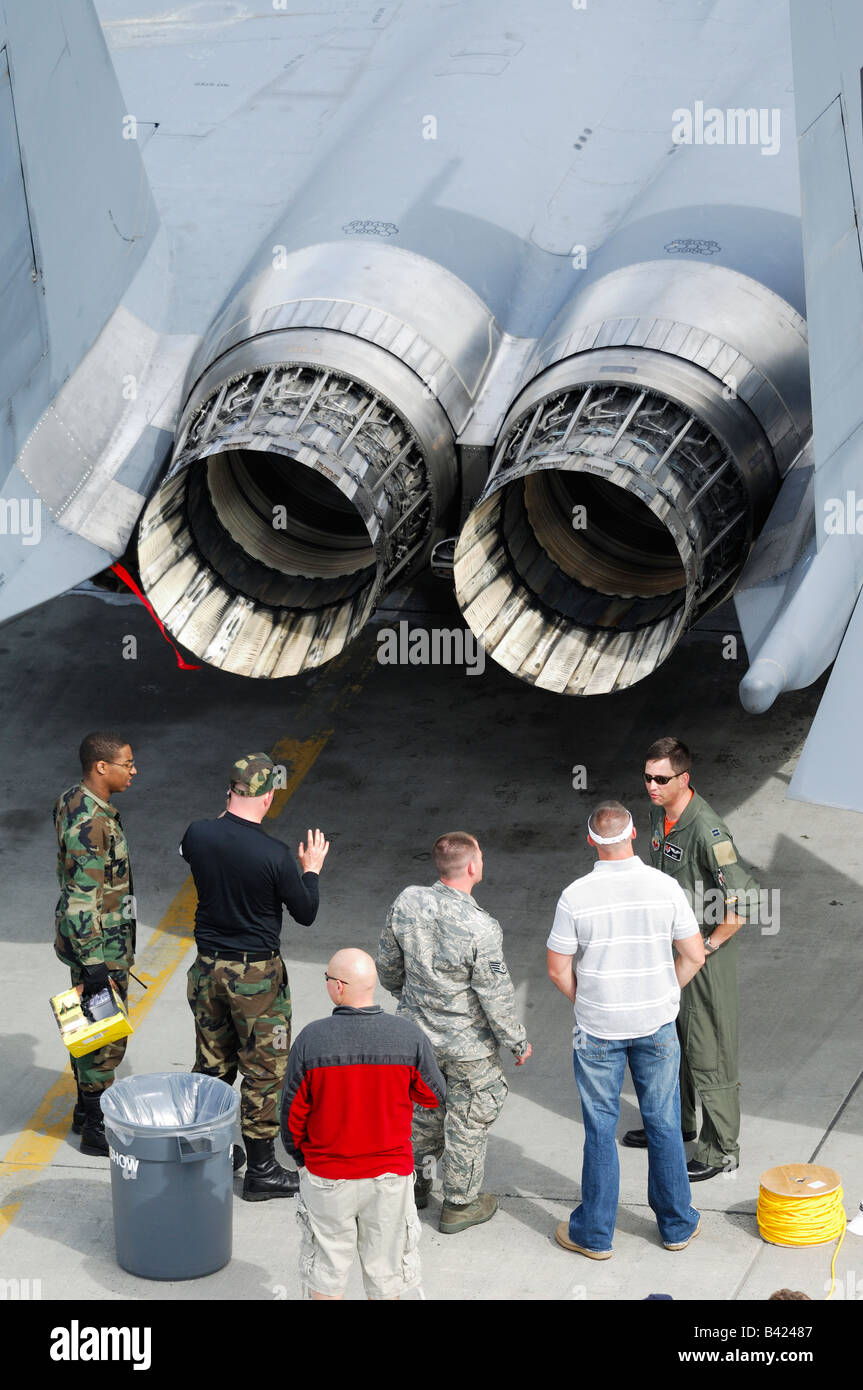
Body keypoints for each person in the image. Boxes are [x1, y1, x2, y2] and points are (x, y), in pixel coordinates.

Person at [547, 801, 705, 1258]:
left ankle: (595, 1236)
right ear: (633, 834)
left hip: (598, 1028)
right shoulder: (664, 886)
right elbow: (694, 954)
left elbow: (558, 970)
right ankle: (676, 1226)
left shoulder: (575, 895)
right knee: (663, 1121)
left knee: (600, 1129)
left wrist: (589, 1001)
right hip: (656, 1025)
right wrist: (664, 994)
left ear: (591, 841)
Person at [181, 753, 329, 1200]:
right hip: (256, 977)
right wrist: (311, 871)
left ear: (230, 791)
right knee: (264, 1070)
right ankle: (262, 1169)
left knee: (212, 1063)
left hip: (208, 967)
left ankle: (205, 1149)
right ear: (267, 798)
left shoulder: (197, 834)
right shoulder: (275, 855)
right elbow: (306, 914)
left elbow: (193, 856)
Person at [377, 832, 531, 1234]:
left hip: (416, 1038)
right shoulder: (481, 927)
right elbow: (495, 995)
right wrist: (516, 1040)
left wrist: (410, 1000)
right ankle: (460, 1204)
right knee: (467, 1118)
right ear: (473, 867)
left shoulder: (407, 901)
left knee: (422, 1110)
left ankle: (413, 1187)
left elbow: (387, 964)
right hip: (468, 1046)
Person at [622, 736, 759, 1180]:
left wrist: (708, 947)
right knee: (671, 1040)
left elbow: (743, 903)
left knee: (708, 1048)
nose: (651, 786)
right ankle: (677, 1124)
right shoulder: (659, 816)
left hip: (701, 954)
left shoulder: (709, 831)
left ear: (684, 778)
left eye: (661, 779)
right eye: (647, 777)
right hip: (670, 947)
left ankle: (720, 1150)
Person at [281, 949, 445, 1300]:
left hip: (327, 1176)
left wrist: (301, 1158)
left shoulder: (312, 1040)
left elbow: (291, 1115)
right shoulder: (408, 1036)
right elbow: (433, 1094)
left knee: (326, 1273)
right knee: (387, 1277)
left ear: (338, 987)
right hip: (388, 1177)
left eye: (327, 978)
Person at [54, 731, 138, 1156]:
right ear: (101, 767)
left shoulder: (72, 798)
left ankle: (85, 1112)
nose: (133, 770)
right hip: (100, 945)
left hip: (89, 941)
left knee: (86, 1029)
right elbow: (80, 898)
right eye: (127, 763)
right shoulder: (93, 823)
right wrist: (94, 965)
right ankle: (97, 1127)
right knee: (105, 1036)